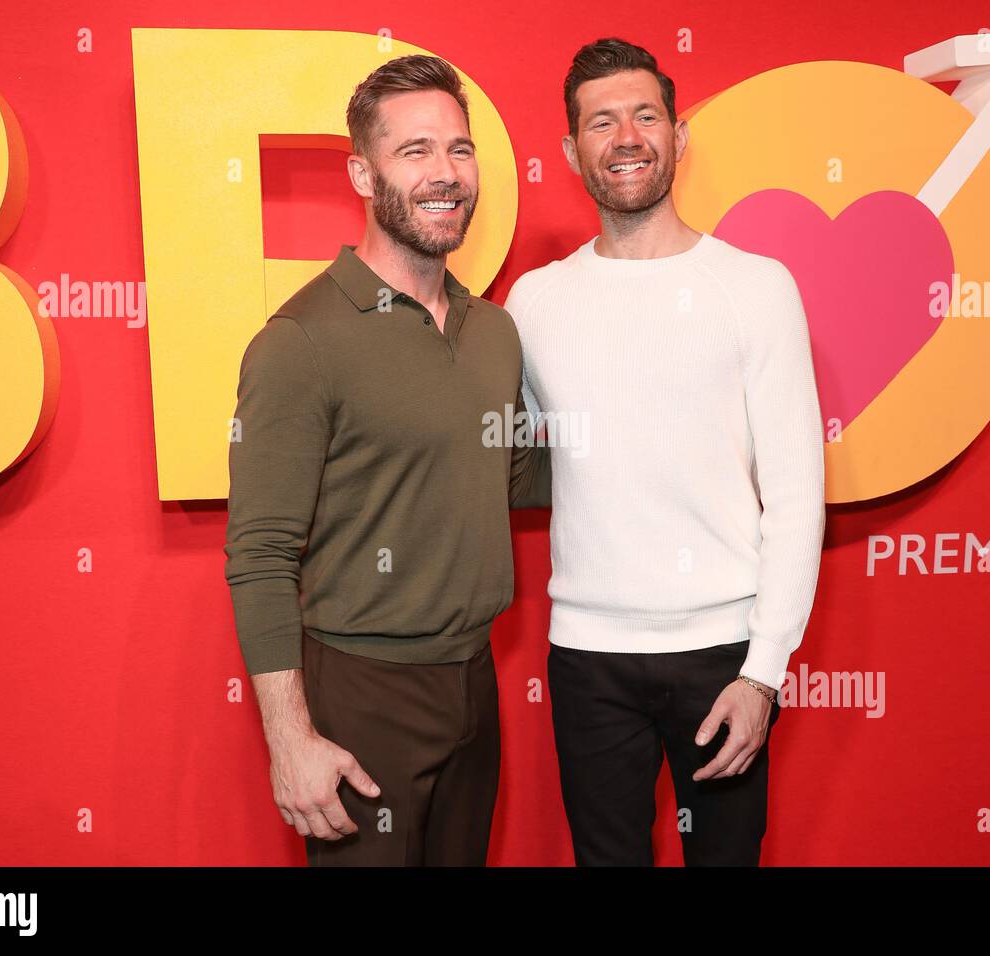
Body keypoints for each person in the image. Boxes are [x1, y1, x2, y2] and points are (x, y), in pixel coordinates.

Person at [505, 37, 826, 866]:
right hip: (588, 659)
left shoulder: (757, 287)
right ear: (572, 152)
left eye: (647, 115)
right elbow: (519, 457)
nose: (627, 137)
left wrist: (763, 676)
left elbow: (795, 494)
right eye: (602, 122)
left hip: (724, 656)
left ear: (680, 135)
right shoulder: (535, 303)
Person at [224, 54, 550, 866]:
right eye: (415, 151)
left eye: (460, 149)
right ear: (363, 175)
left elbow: (513, 478)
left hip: (475, 683)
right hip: (361, 696)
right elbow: (260, 557)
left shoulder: (494, 332)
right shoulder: (301, 341)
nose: (445, 173)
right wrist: (290, 739)